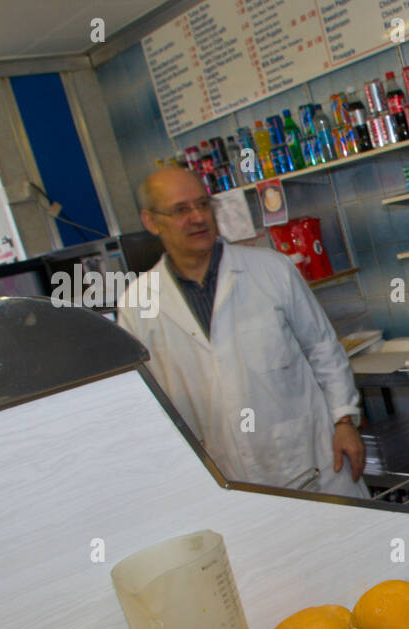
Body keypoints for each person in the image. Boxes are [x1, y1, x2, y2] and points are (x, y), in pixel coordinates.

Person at [116, 167, 367, 498]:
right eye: (181, 210)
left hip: (314, 459)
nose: (197, 218)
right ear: (150, 221)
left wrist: (344, 421)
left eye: (203, 204)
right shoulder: (137, 304)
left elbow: (322, 346)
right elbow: (146, 401)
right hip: (224, 476)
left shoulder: (271, 269)